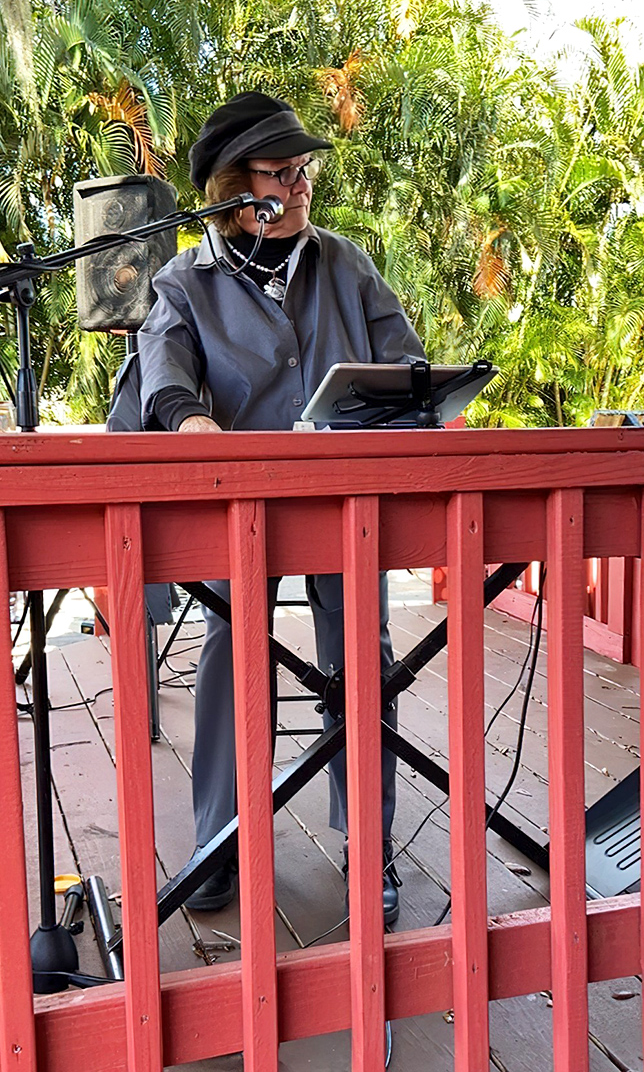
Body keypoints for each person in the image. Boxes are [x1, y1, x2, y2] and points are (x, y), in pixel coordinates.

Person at [138, 91, 426, 923]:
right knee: (231, 642)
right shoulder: (184, 279)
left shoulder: (348, 263)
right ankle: (219, 844)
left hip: (348, 501)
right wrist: (189, 419)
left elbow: (405, 367)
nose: (300, 186)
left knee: (363, 648)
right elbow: (164, 370)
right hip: (242, 506)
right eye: (280, 172)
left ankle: (367, 842)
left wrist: (417, 402)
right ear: (234, 189)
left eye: (304, 170)